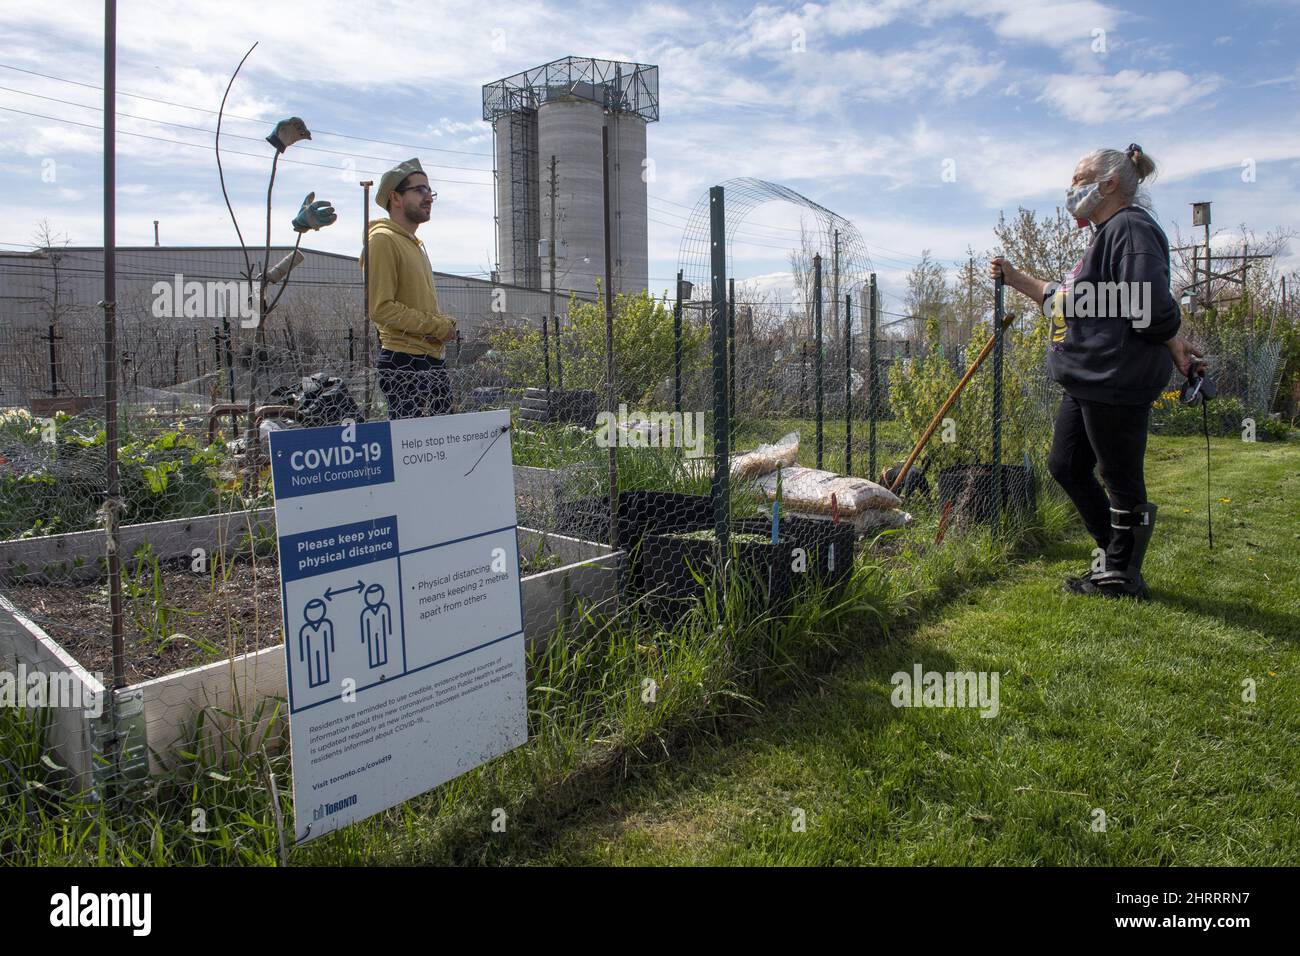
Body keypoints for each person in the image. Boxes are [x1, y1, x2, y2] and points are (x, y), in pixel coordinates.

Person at [991, 144, 1203, 600]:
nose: (1071, 189)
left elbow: (1146, 303)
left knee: (1120, 478)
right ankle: (1115, 554)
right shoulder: (1105, 237)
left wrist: (1171, 335)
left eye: (1079, 178)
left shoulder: (1130, 228)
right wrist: (1013, 277)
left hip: (1115, 376)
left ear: (1108, 184)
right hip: (1087, 379)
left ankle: (1122, 575)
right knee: (1065, 465)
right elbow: (1064, 301)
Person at [361, 158, 457, 419]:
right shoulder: (382, 240)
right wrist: (436, 326)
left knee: (445, 445)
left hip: (429, 357)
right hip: (404, 362)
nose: (428, 198)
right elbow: (381, 309)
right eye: (419, 190)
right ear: (395, 197)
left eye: (430, 191)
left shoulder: (413, 244)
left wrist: (441, 323)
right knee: (413, 452)